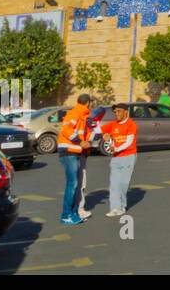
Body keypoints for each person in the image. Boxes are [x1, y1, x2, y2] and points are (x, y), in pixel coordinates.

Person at [57, 94, 93, 225]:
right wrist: (79, 141)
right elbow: (66, 128)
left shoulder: (82, 115)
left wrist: (87, 141)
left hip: (74, 152)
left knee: (75, 184)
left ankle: (73, 213)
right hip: (68, 152)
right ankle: (66, 215)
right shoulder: (76, 113)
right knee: (72, 185)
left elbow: (85, 133)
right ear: (88, 103)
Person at [100, 103, 137, 218]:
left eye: (119, 111)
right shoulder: (113, 124)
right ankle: (114, 208)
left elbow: (128, 142)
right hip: (116, 157)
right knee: (114, 183)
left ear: (126, 111)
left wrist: (115, 148)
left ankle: (121, 207)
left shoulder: (131, 124)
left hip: (129, 156)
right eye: (115, 112)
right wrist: (108, 139)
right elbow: (99, 130)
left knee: (123, 184)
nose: (117, 114)